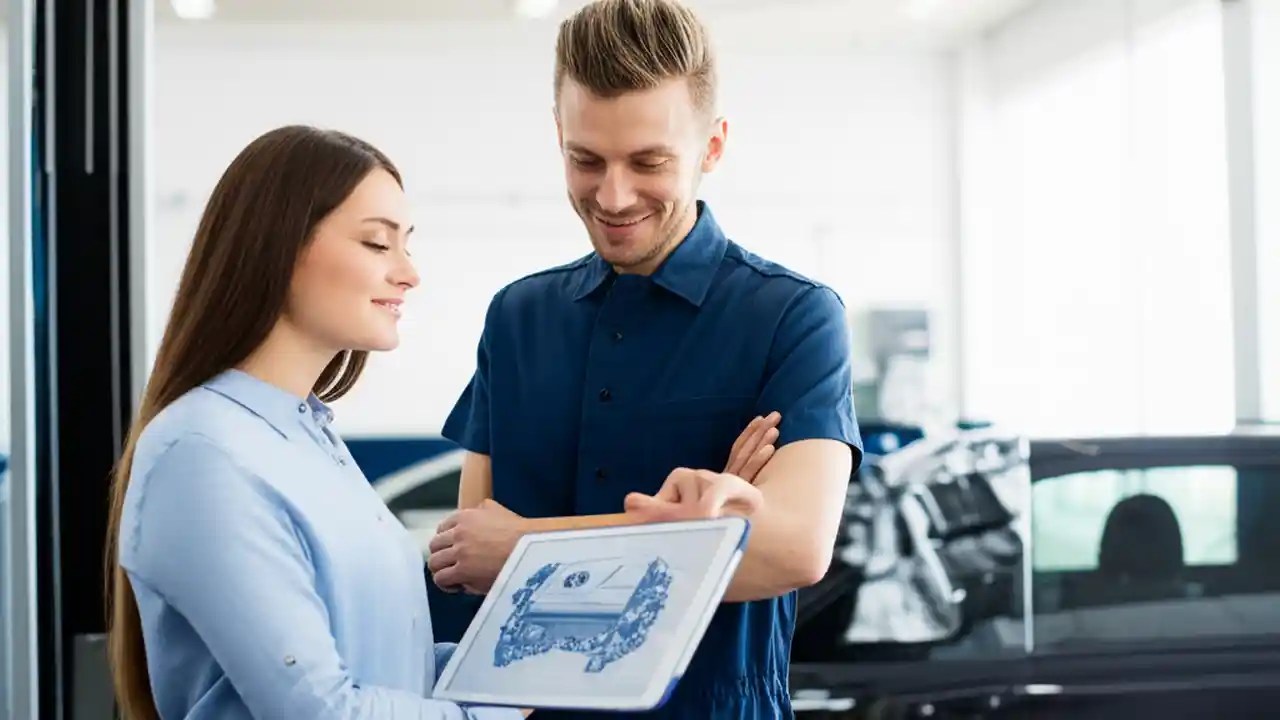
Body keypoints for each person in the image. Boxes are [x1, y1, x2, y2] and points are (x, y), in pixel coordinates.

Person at [102, 125, 765, 720]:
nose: (409, 273)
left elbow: (397, 668)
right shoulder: (203, 452)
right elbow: (322, 710)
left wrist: (674, 548)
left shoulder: (307, 437)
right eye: (377, 242)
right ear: (278, 247)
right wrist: (494, 706)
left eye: (406, 244)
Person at [427, 0, 864, 717]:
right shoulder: (516, 318)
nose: (613, 195)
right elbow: (472, 556)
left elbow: (792, 551)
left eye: (648, 162)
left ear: (712, 147)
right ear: (559, 136)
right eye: (585, 160)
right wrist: (696, 538)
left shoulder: (793, 316)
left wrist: (525, 545)